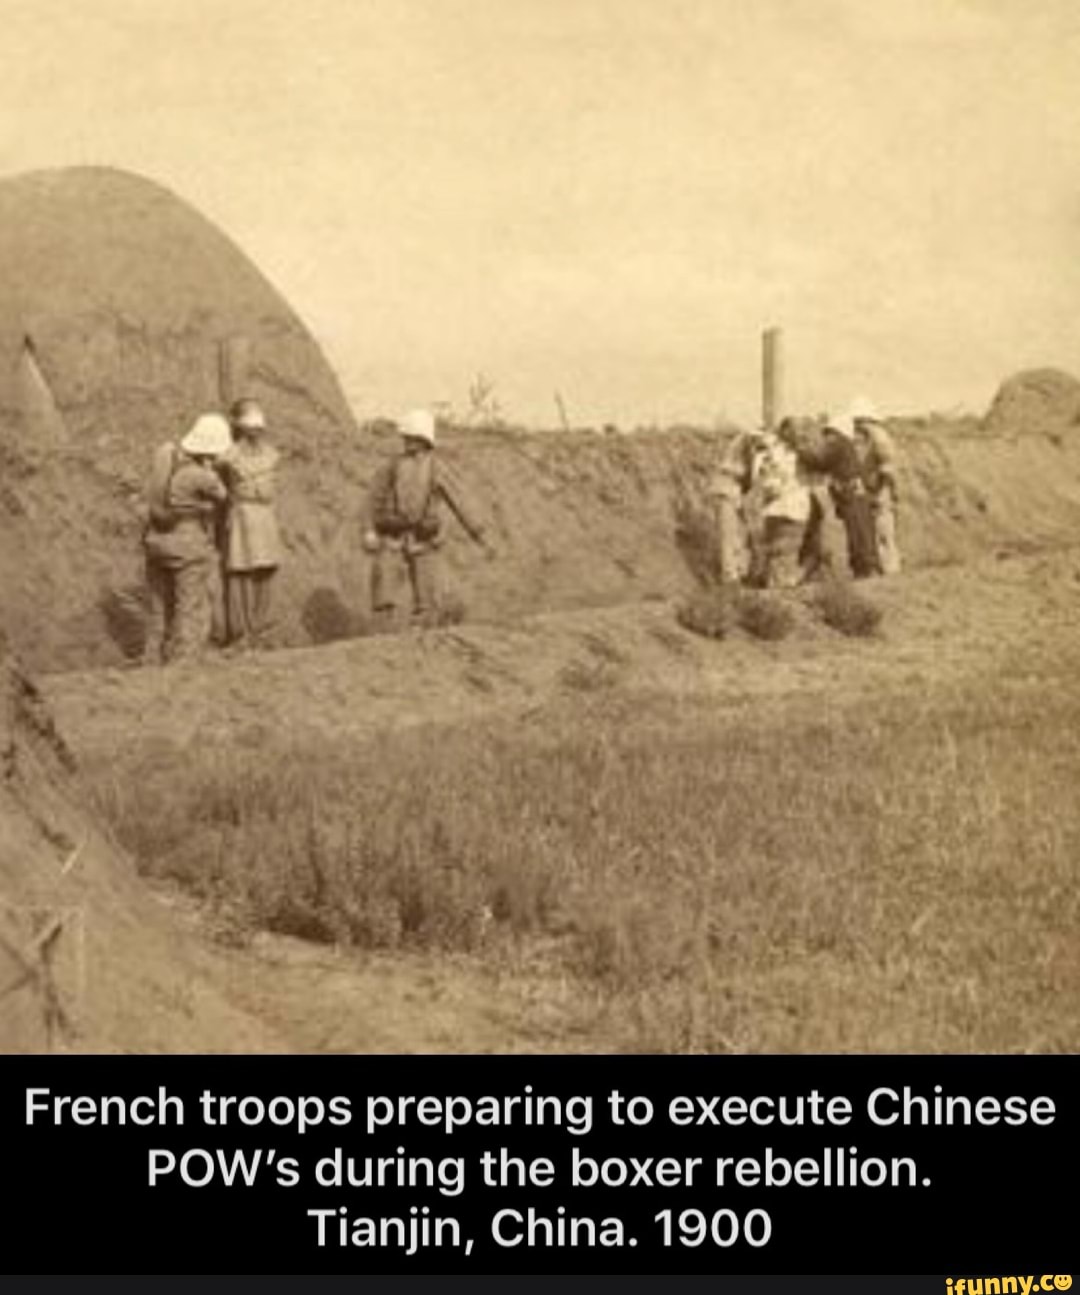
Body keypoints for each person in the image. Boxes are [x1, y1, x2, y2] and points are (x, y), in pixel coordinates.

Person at [363, 408, 488, 627]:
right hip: (393, 534)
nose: (407, 442)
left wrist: (478, 532)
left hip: (424, 537)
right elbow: (375, 497)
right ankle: (383, 631)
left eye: (412, 438)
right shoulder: (393, 465)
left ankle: (423, 638)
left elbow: (460, 501)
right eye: (406, 437)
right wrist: (370, 529)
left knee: (426, 595)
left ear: (424, 440)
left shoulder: (436, 467)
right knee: (383, 583)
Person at [142, 413, 231, 663]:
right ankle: (184, 661)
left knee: (158, 606)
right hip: (187, 545)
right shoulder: (201, 475)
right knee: (190, 605)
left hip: (157, 541)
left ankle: (152, 657)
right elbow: (223, 495)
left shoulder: (167, 457)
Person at [218, 397, 283, 650]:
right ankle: (242, 632)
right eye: (250, 427)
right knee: (241, 572)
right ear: (240, 428)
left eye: (258, 428)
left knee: (265, 570)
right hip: (243, 515)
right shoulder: (229, 457)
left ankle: (262, 630)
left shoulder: (271, 454)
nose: (255, 432)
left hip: (264, 515)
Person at [793, 412, 879, 578]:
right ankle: (867, 569)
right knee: (862, 531)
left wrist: (801, 452)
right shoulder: (846, 444)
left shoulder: (837, 443)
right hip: (855, 492)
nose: (827, 437)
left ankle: (864, 570)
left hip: (850, 492)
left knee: (857, 533)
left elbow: (821, 461)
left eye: (828, 432)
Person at [706, 427, 767, 584]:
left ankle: (740, 572)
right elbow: (751, 477)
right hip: (726, 489)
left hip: (734, 490)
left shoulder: (743, 444)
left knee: (739, 533)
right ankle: (730, 576)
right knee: (729, 534)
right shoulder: (745, 443)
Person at [756, 420, 813, 588]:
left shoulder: (772, 454)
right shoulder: (804, 455)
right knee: (787, 555)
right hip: (797, 510)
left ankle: (776, 592)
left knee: (775, 555)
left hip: (776, 510)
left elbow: (769, 484)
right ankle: (784, 589)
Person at [849, 396, 902, 575]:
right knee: (872, 531)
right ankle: (880, 569)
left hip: (879, 489)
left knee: (883, 531)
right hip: (869, 488)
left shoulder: (878, 437)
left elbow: (888, 466)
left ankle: (889, 570)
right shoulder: (864, 437)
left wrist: (881, 487)